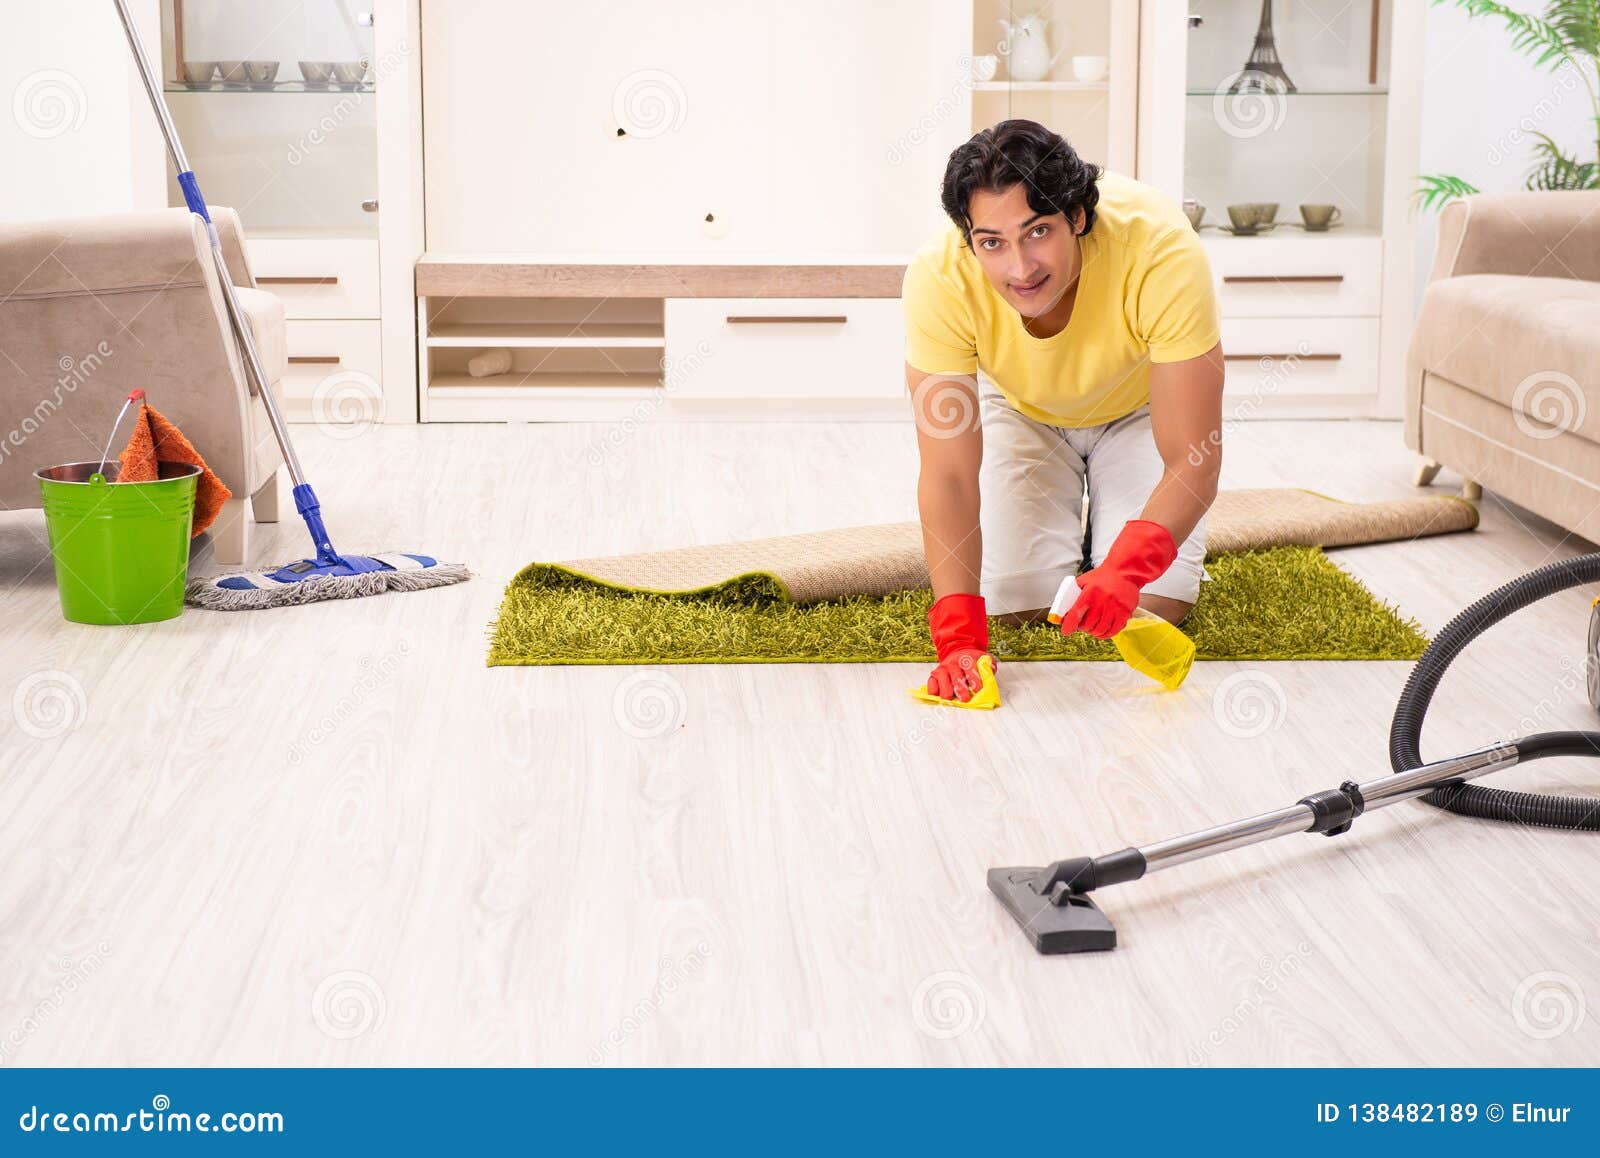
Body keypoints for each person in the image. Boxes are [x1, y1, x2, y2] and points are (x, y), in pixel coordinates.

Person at [902, 119, 1224, 703]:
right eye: (992, 242)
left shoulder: (1161, 249)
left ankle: (1105, 536)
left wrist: (1127, 568)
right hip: (1023, 409)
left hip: (1140, 407)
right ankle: (1079, 533)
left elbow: (1193, 457)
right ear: (967, 237)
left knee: (1155, 605)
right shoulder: (939, 278)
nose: (1020, 268)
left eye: (1039, 231)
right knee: (1014, 603)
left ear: (1077, 216)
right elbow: (947, 471)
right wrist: (957, 638)